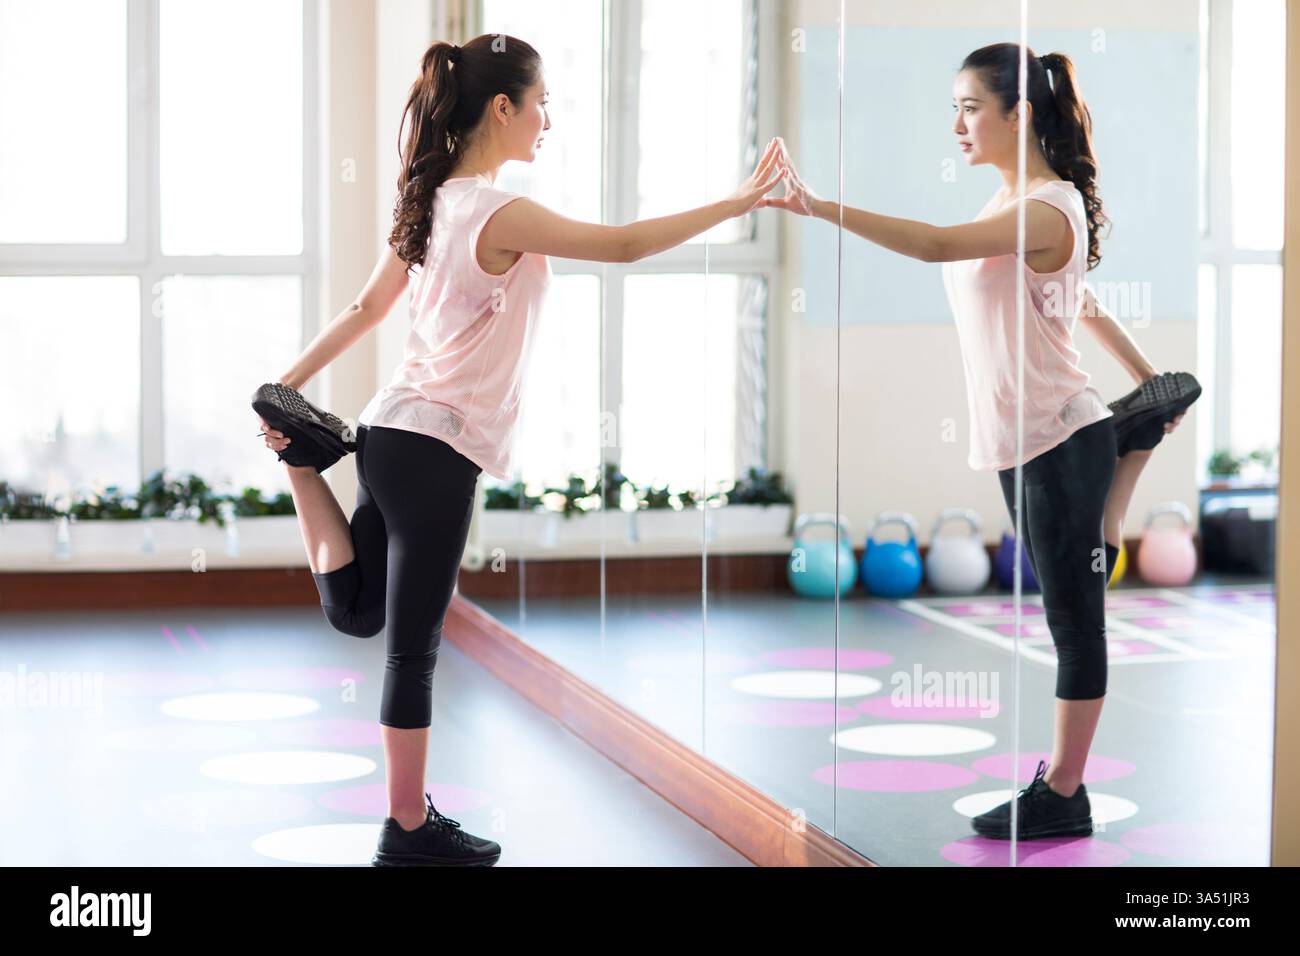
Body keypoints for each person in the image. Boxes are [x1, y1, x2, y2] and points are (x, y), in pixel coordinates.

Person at [254, 33, 786, 866]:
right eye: (540, 102)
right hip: (436, 450)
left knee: (358, 611)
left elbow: (365, 308)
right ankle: (407, 831)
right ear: (501, 109)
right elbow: (624, 245)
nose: (549, 118)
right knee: (410, 647)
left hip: (390, 431)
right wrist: (736, 203)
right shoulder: (499, 211)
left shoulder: (431, 200)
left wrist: (280, 385)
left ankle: (300, 459)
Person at [759, 43, 1199, 840]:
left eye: (969, 107)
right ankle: (1132, 431)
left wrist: (818, 206)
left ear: (1018, 114)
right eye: (954, 108)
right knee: (1070, 592)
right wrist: (1149, 376)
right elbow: (1078, 299)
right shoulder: (1011, 202)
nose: (956, 124)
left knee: (1075, 620)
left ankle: (1065, 794)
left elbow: (930, 246)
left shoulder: (1045, 206)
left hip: (1062, 434)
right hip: (1023, 440)